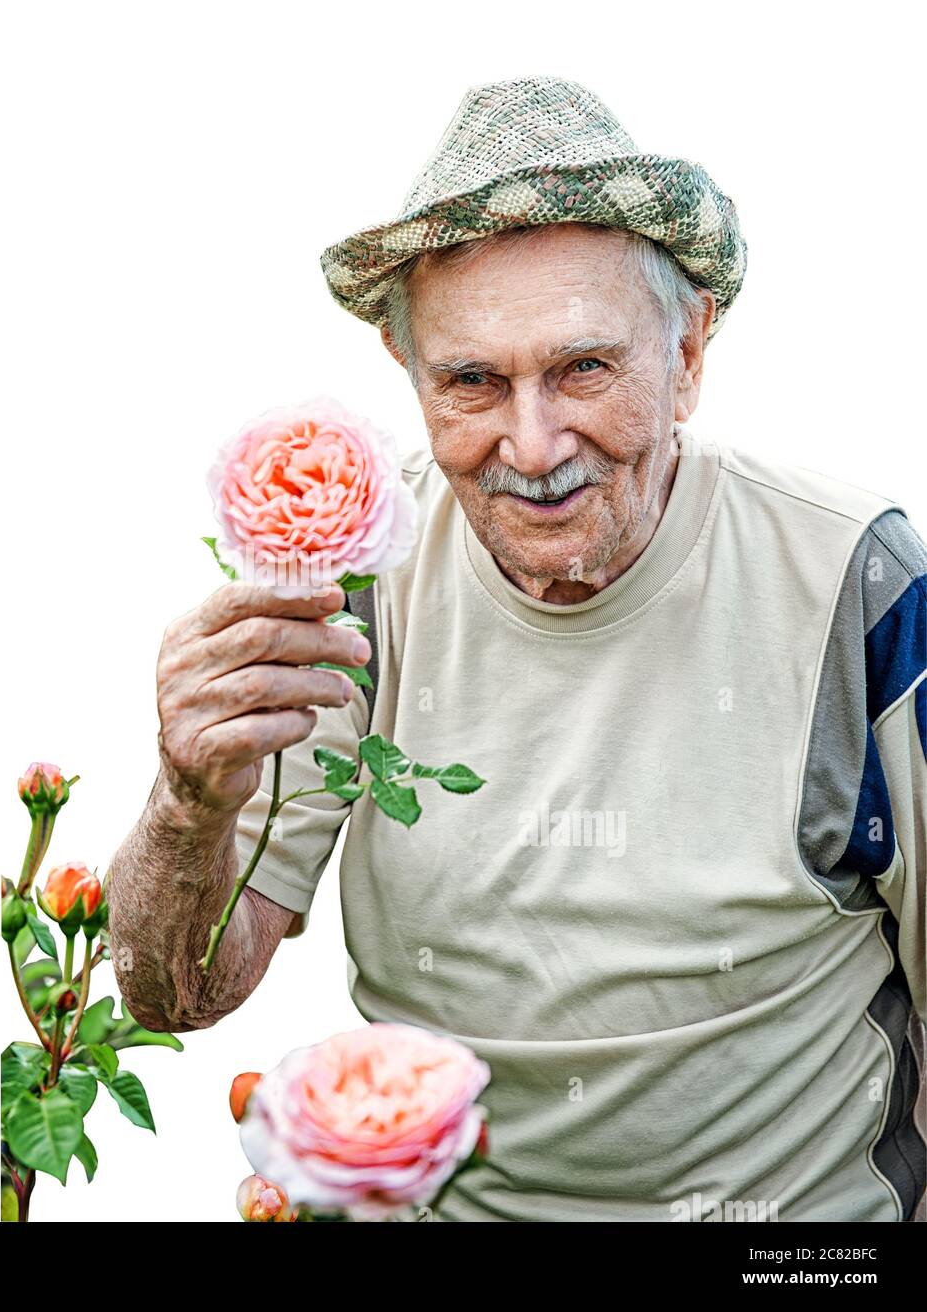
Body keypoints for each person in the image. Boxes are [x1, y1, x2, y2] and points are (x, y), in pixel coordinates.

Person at [107, 77, 926, 1221]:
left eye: (582, 367)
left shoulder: (859, 586)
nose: (531, 446)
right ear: (410, 379)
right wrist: (187, 798)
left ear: (687, 352)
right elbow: (176, 994)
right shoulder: (348, 584)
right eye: (473, 382)